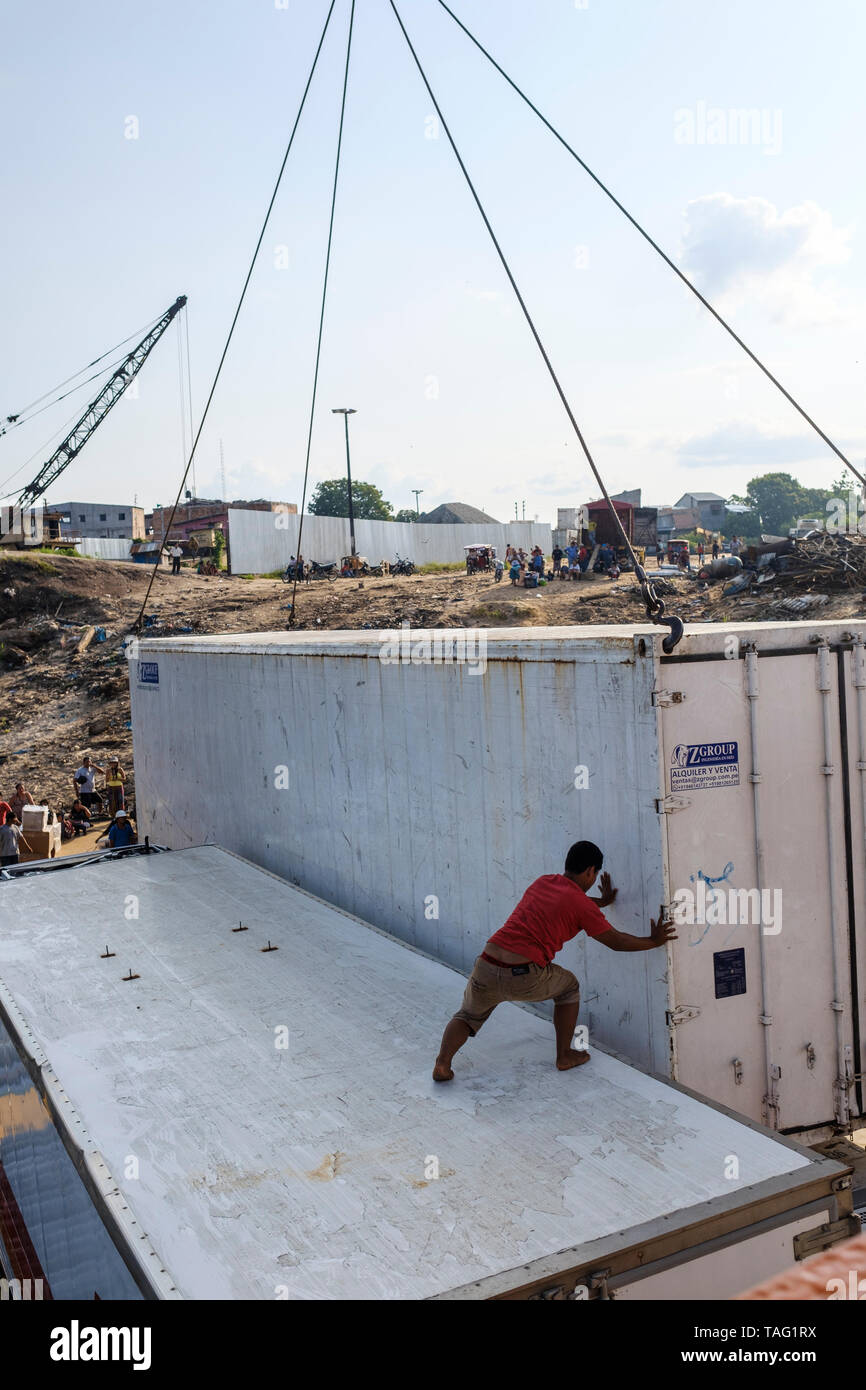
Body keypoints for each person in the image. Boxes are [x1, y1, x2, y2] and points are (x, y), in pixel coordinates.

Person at [433, 840, 677, 1082]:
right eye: (595, 874)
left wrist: (601, 902)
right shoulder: (581, 905)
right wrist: (653, 941)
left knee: (466, 1016)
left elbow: (567, 902)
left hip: (486, 963)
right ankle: (564, 1055)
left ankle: (442, 1065)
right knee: (569, 988)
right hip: (523, 974)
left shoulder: (543, 882)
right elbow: (616, 941)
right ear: (591, 871)